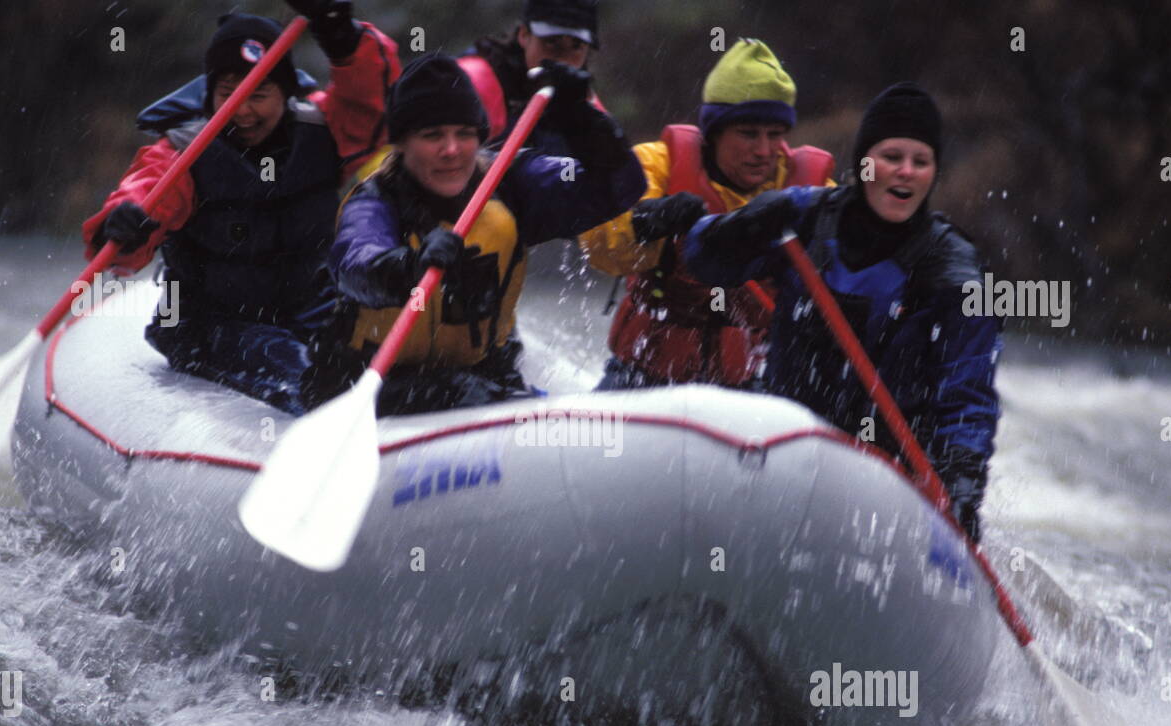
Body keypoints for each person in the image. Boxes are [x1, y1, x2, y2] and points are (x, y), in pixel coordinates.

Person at [682, 83, 999, 541]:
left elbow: (969, 399)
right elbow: (705, 260)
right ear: (864, 162)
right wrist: (730, 229)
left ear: (934, 172)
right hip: (784, 445)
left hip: (885, 475)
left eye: (921, 161)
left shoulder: (958, 273)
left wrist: (963, 488)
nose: (906, 173)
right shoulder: (802, 218)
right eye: (892, 156)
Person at [82, 3, 401, 415]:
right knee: (294, 364)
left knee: (382, 366)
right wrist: (123, 222)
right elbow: (141, 196)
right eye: (228, 93)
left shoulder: (326, 129)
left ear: (285, 94)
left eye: (259, 93)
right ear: (210, 93)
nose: (244, 111)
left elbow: (373, 99)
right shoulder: (182, 154)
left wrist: (338, 33)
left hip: (312, 311)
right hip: (208, 327)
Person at [328, 53, 645, 415]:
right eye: (433, 136)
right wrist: (409, 266)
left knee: (475, 388)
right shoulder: (374, 202)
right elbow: (355, 265)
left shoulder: (512, 184)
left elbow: (621, 187)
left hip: (482, 377)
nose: (451, 150)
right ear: (401, 144)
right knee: (460, 390)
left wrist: (582, 121)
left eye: (464, 134)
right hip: (374, 386)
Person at [581, 39, 836, 390]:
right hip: (643, 374)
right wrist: (645, 221)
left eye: (774, 135)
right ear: (714, 133)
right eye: (748, 134)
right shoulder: (657, 164)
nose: (764, 151)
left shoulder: (811, 190)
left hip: (749, 380)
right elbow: (598, 244)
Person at [458, 0, 607, 153]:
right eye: (551, 42)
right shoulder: (473, 83)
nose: (562, 59)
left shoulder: (586, 103)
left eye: (576, 46)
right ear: (524, 35)